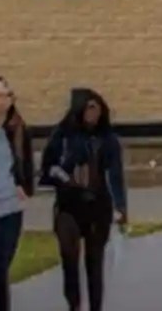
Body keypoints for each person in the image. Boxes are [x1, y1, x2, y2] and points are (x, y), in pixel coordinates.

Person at [40, 88, 127, 311]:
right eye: (89, 108)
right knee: (69, 258)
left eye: (97, 109)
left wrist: (120, 206)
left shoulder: (108, 139)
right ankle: (74, 304)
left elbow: (115, 174)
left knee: (94, 261)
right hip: (69, 204)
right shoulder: (63, 136)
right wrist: (64, 169)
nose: (93, 114)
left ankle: (95, 306)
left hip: (97, 205)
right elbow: (47, 167)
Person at [0, 77, 32, 311]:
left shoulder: (15, 128)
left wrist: (24, 186)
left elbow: (25, 161)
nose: (7, 99)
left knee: (1, 270)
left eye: (9, 94)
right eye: (0, 94)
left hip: (8, 210)